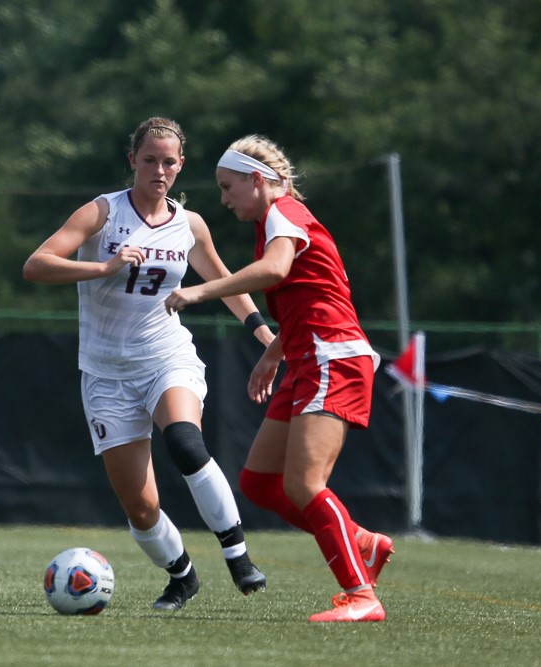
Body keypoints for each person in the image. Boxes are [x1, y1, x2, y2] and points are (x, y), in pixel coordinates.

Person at [24, 117, 272, 611]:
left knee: (183, 440)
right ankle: (182, 577)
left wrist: (267, 336)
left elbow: (225, 282)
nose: (159, 170)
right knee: (141, 508)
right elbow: (36, 264)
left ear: (181, 166)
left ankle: (238, 554)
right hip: (105, 373)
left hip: (165, 357)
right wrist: (104, 267)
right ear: (132, 161)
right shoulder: (102, 212)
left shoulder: (189, 224)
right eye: (150, 160)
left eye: (169, 162)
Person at [164, 134, 394, 622]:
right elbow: (308, 295)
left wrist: (200, 292)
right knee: (262, 483)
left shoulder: (283, 213)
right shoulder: (276, 219)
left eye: (228, 188)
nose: (224, 199)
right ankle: (359, 544)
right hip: (307, 356)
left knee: (306, 484)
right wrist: (273, 352)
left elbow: (275, 270)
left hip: (333, 357)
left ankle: (361, 595)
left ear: (257, 180)